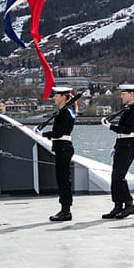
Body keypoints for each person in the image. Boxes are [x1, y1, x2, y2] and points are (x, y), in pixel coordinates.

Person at [100, 84, 134, 219]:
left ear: (131, 94)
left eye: (123, 94)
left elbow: (127, 130)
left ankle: (129, 204)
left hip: (129, 145)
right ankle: (118, 205)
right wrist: (116, 145)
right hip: (122, 144)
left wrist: (110, 127)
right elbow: (122, 132)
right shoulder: (128, 109)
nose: (121, 96)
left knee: (119, 176)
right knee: (115, 177)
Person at [42, 86, 76, 221]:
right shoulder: (64, 111)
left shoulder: (66, 112)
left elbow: (59, 132)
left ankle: (66, 211)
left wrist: (44, 134)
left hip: (63, 147)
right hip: (61, 147)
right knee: (62, 179)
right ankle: (64, 209)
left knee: (63, 180)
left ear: (63, 97)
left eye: (56, 95)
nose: (54, 98)